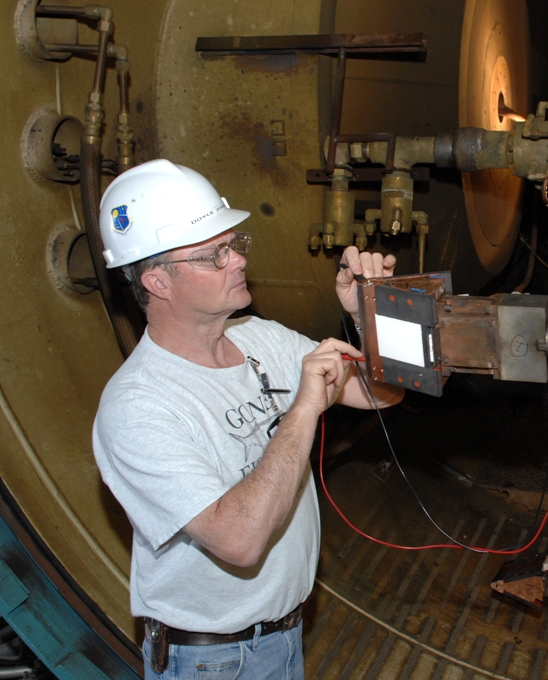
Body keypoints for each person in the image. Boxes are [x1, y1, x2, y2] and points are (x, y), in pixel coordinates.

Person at [91, 159, 402, 680]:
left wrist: (368, 311)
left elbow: (380, 395)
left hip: (282, 638)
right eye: (215, 254)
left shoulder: (262, 339)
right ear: (158, 282)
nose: (236, 261)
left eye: (236, 244)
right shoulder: (138, 406)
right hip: (212, 661)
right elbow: (240, 540)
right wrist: (302, 408)